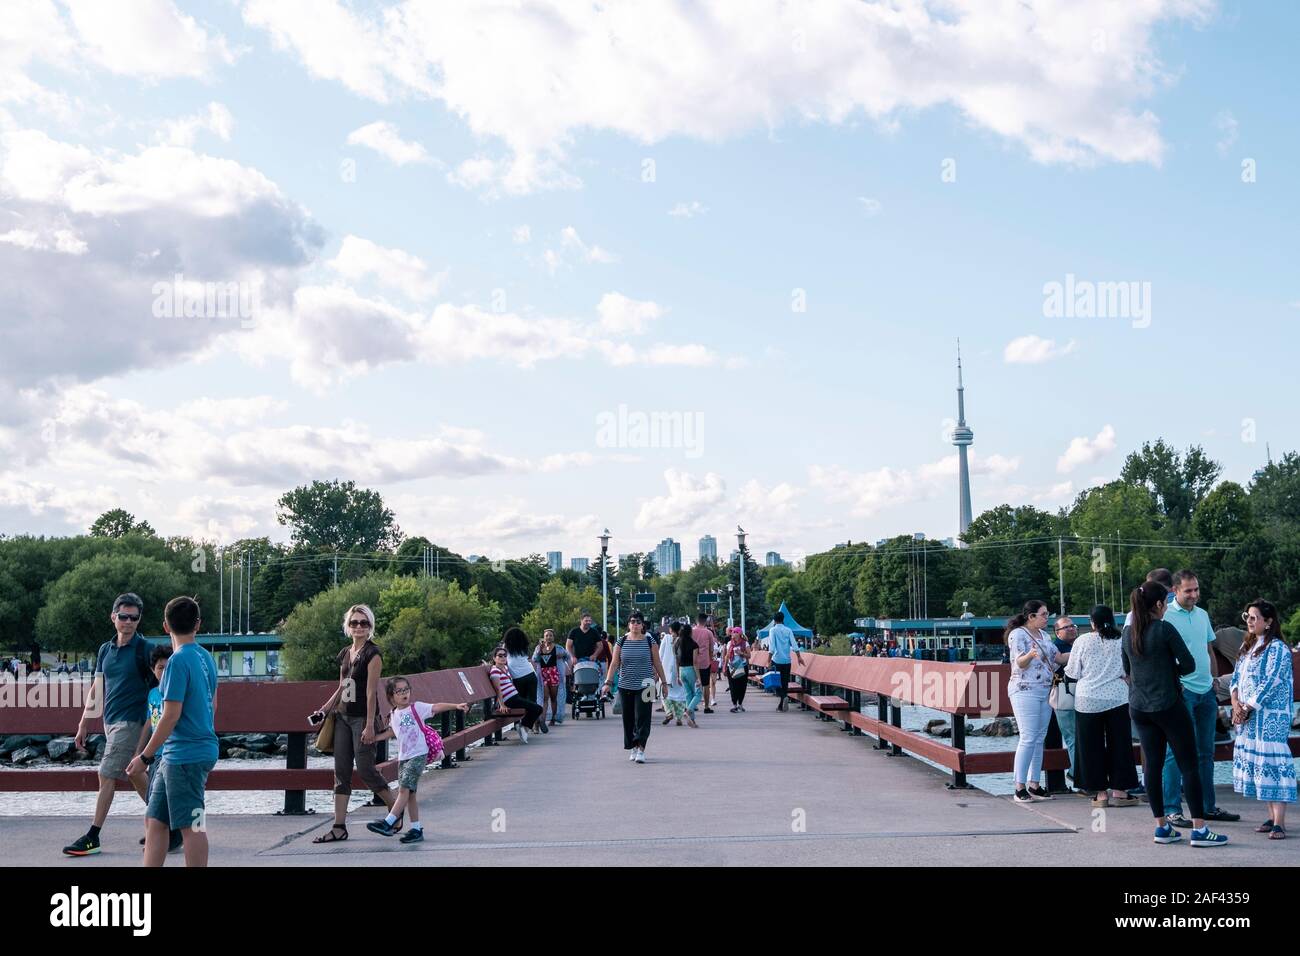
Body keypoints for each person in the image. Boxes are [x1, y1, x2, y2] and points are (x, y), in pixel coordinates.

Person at [1123, 580, 1228, 847]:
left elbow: (1127, 670)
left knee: (1153, 766)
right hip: (1168, 704)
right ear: (1160, 605)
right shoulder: (1164, 628)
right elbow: (1190, 664)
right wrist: (1172, 673)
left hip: (1139, 707)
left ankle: (1162, 827)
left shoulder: (1128, 633)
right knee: (1189, 765)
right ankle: (1200, 830)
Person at [126, 596, 219, 867]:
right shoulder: (205, 658)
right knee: (155, 820)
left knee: (193, 825)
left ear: (165, 626)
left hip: (184, 755)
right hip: (181, 753)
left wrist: (144, 756)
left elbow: (170, 715)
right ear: (198, 624)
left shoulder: (177, 662)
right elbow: (212, 704)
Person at [64, 593, 156, 857]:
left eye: (134, 618)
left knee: (106, 775)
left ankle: (93, 836)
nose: (128, 622)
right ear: (113, 616)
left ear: (139, 620)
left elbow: (161, 687)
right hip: (110, 722)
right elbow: (97, 688)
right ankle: (167, 823)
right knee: (135, 773)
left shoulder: (145, 649)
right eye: (123, 616)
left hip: (132, 722)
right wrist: (83, 723)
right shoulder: (105, 649)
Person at [309, 604, 396, 844]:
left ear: (370, 627)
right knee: (341, 772)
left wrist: (370, 725)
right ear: (348, 626)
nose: (359, 627)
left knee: (367, 769)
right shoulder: (345, 653)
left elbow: (370, 693)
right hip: (342, 717)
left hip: (361, 718)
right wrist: (324, 710)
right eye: (354, 622)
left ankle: (395, 813)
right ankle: (339, 827)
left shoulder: (373, 654)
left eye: (364, 623)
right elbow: (342, 686)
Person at [1159, 570, 1239, 827]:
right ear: (1175, 590)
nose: (1194, 595)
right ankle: (1172, 809)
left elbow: (1208, 649)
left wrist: (1215, 681)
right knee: (1176, 751)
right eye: (1188, 591)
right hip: (1181, 692)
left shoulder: (1203, 614)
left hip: (1207, 692)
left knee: (1206, 751)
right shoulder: (1165, 617)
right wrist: (1174, 684)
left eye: (1196, 590)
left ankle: (1207, 807)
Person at [366, 677, 469, 843]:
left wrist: (455, 706)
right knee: (410, 794)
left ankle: (389, 822)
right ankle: (416, 829)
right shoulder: (395, 714)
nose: (404, 693)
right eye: (399, 691)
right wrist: (376, 738)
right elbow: (394, 732)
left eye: (406, 690)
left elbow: (436, 707)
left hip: (418, 754)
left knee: (404, 789)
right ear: (391, 696)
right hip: (403, 757)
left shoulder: (416, 708)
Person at [1230, 600, 1295, 840]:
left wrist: (1247, 707)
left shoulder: (1277, 648)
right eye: (1248, 616)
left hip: (1270, 716)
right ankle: (1270, 817)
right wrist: (1236, 703)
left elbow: (1272, 681)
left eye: (1255, 617)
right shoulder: (1247, 646)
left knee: (1273, 762)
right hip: (1248, 717)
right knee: (1259, 764)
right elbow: (1236, 677)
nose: (1249, 620)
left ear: (1268, 623)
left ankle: (1280, 821)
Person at [1064, 606, 1138, 808]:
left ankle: (1100, 794)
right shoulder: (1122, 639)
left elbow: (1072, 672)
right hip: (1117, 697)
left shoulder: (1082, 641)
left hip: (1088, 699)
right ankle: (1121, 791)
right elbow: (1129, 668)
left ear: (1092, 622)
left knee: (1090, 746)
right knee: (1120, 744)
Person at [1005, 601, 1065, 803]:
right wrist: (1030, 655)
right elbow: (1018, 663)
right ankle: (1019, 786)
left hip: (1044, 690)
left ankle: (1034, 784)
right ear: (1031, 616)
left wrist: (1080, 652)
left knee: (1039, 737)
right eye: (1043, 614)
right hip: (1024, 690)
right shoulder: (1018, 634)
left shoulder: (1046, 636)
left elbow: (1058, 658)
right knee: (1028, 737)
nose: (1047, 618)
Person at [129, 645, 184, 853]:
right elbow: (149, 724)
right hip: (155, 755)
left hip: (172, 753)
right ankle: (159, 833)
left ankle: (166, 835)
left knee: (168, 798)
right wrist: (139, 750)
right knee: (154, 796)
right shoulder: (153, 694)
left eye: (168, 667)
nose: (164, 671)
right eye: (160, 668)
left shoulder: (177, 693)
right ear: (153, 670)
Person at [601, 611, 667, 763]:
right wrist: (608, 683)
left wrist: (664, 683)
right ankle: (633, 746)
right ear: (628, 624)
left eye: (638, 622)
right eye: (632, 621)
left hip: (648, 684)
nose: (635, 624)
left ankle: (641, 748)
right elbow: (614, 663)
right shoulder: (621, 641)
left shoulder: (650, 641)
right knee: (628, 718)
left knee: (643, 718)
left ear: (642, 625)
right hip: (626, 684)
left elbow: (657, 663)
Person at [488, 645, 545, 741]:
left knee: (536, 708)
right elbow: (497, 689)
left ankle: (523, 727)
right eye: (500, 656)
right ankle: (523, 727)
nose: (503, 658)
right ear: (494, 658)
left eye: (505, 655)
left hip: (515, 697)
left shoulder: (505, 668)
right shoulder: (495, 671)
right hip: (509, 700)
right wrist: (502, 705)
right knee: (538, 708)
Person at [1051, 614, 1080, 786]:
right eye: (1066, 627)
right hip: (1062, 693)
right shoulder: (1055, 647)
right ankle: (1077, 775)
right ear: (1057, 632)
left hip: (1083, 694)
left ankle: (1077, 773)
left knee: (1083, 738)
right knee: (1072, 737)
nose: (1071, 628)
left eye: (1073, 625)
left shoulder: (1080, 643)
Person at [503, 627, 546, 734]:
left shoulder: (506, 649)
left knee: (523, 704)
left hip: (518, 679)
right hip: (531, 675)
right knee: (532, 703)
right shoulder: (523, 648)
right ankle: (533, 724)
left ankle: (523, 724)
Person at [767, 611, 805, 712]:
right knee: (784, 683)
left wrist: (768, 661)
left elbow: (772, 647)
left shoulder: (773, 630)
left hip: (776, 660)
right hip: (787, 661)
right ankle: (781, 704)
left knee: (775, 683)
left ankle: (784, 697)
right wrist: (799, 657)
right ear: (783, 619)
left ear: (774, 621)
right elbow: (794, 644)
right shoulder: (788, 630)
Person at [533, 629, 569, 726]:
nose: (548, 637)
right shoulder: (539, 647)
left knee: (554, 698)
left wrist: (561, 656)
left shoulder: (559, 648)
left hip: (554, 673)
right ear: (544, 637)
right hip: (543, 674)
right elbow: (534, 659)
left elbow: (568, 657)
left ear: (553, 637)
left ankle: (553, 718)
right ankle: (543, 721)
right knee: (545, 698)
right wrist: (539, 651)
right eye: (546, 635)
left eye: (550, 635)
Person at [659, 623, 688, 726]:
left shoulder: (666, 638)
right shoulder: (683, 640)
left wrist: (658, 669)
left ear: (670, 629)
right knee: (679, 695)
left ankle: (669, 713)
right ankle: (679, 718)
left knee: (665, 694)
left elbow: (660, 655)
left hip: (666, 670)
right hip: (679, 671)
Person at [689, 613, 717, 714]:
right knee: (705, 685)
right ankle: (706, 706)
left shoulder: (691, 631)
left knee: (692, 684)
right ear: (705, 621)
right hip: (705, 662)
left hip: (692, 662)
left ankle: (693, 705)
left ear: (696, 621)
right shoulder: (709, 633)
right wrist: (710, 659)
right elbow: (711, 649)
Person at [724, 626, 750, 712]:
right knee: (733, 686)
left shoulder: (745, 643)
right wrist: (724, 667)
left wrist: (741, 653)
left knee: (742, 686)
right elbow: (727, 657)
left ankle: (740, 704)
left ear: (739, 634)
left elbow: (749, 656)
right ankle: (734, 705)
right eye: (732, 632)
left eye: (734, 632)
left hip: (742, 667)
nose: (732, 633)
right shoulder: (729, 643)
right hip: (731, 668)